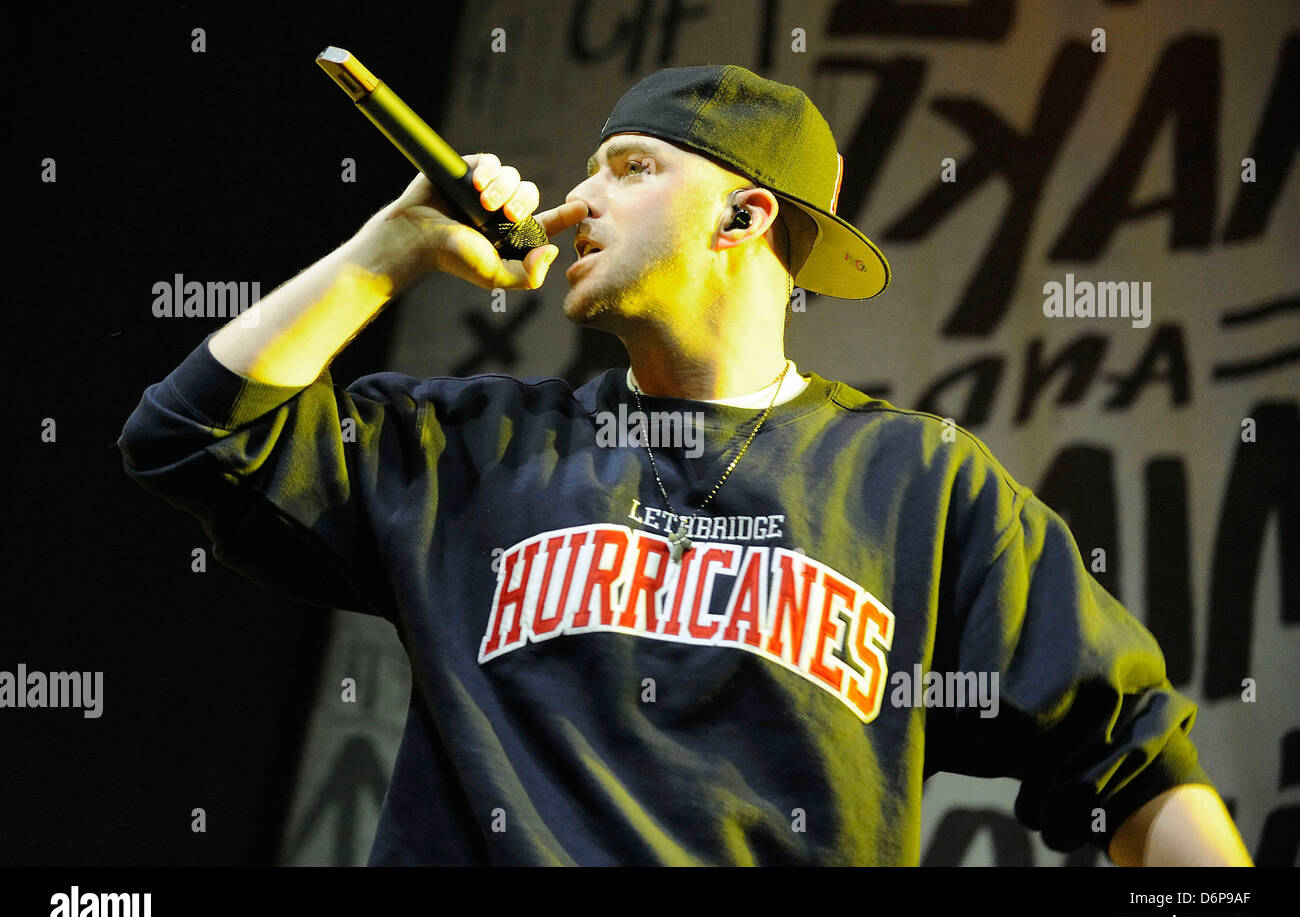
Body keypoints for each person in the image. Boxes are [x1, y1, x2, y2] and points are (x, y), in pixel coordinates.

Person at [119, 65, 1252, 866]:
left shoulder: (920, 483)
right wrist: (386, 253)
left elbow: (1131, 759)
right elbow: (189, 433)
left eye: (627, 166)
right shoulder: (478, 446)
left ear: (743, 215)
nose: (574, 203)